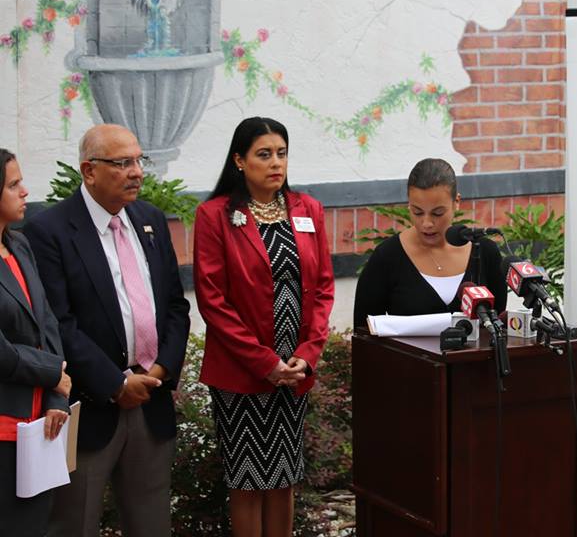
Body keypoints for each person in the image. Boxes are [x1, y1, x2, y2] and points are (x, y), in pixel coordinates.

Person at [24, 125, 191, 537]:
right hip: (90, 405)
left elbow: (175, 305)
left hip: (151, 399)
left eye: (139, 160)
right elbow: (58, 324)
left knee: (152, 522)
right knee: (74, 522)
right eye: (123, 163)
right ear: (89, 170)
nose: (137, 172)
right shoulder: (50, 232)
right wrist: (116, 383)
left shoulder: (149, 220)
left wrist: (160, 372)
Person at [193, 117, 334, 537]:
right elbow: (212, 300)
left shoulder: (307, 209)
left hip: (293, 371)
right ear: (239, 160)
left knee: (284, 475)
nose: (276, 163)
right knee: (249, 478)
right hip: (243, 371)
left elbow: (324, 287)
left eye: (282, 153)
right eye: (264, 154)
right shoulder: (215, 215)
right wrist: (264, 362)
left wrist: (305, 357)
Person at [0, 149, 72, 536]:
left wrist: (57, 398)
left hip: (38, 427)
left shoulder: (19, 245)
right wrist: (52, 374)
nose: (25, 192)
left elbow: (48, 324)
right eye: (13, 185)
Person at [353, 158, 506, 331]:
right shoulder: (387, 256)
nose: (427, 223)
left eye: (437, 213)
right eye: (417, 212)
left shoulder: (485, 252)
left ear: (456, 202)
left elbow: (499, 326)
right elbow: (363, 333)